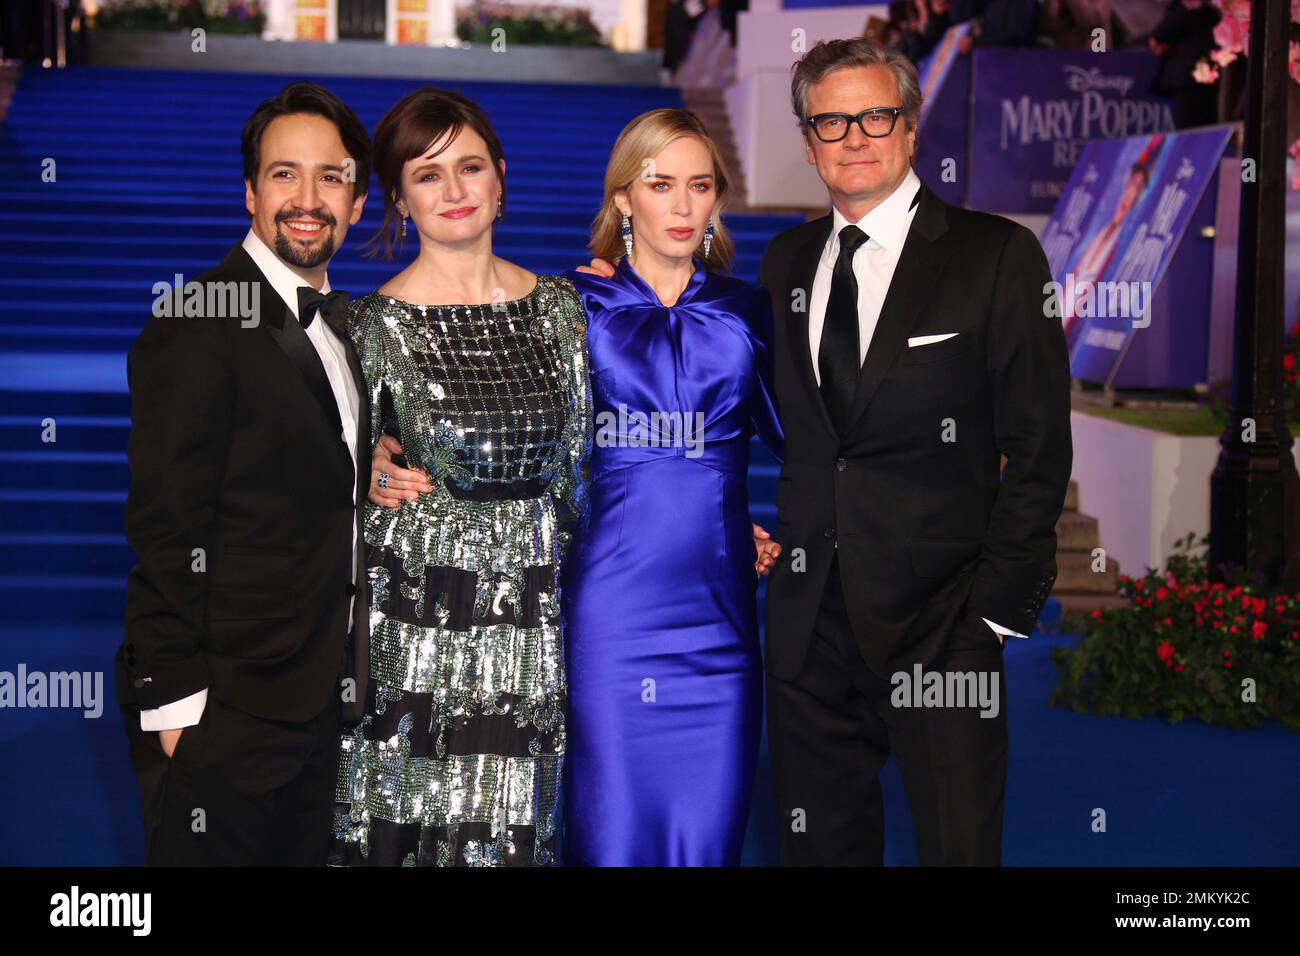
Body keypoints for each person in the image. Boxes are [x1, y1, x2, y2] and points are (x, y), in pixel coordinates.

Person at [759, 38, 1071, 865]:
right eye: (831, 121)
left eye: (875, 115)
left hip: (945, 621)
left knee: (958, 847)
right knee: (820, 846)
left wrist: (995, 616)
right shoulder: (786, 261)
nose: (854, 136)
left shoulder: (996, 256)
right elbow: (774, 418)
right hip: (811, 622)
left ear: (909, 127)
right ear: (808, 139)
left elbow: (1038, 448)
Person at [327, 88, 591, 867]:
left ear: (501, 179)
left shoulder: (565, 310)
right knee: (405, 830)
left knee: (511, 833)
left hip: (531, 622)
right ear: (400, 199)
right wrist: (359, 471)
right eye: (426, 174)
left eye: (470, 167)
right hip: (414, 624)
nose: (453, 191)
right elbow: (317, 453)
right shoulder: (368, 324)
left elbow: (591, 463)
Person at [117, 81, 373, 865]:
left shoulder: (350, 326)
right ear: (251, 193)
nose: (308, 197)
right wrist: (173, 703)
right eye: (284, 174)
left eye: (330, 176)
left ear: (357, 201)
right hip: (225, 712)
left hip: (322, 705)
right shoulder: (196, 320)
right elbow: (165, 522)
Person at [561, 109, 783, 866]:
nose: (684, 206)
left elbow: (803, 441)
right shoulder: (575, 308)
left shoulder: (748, 310)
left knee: (708, 836)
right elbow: (521, 432)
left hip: (718, 618)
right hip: (612, 615)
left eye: (700, 186)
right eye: (661, 185)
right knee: (613, 834)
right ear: (624, 198)